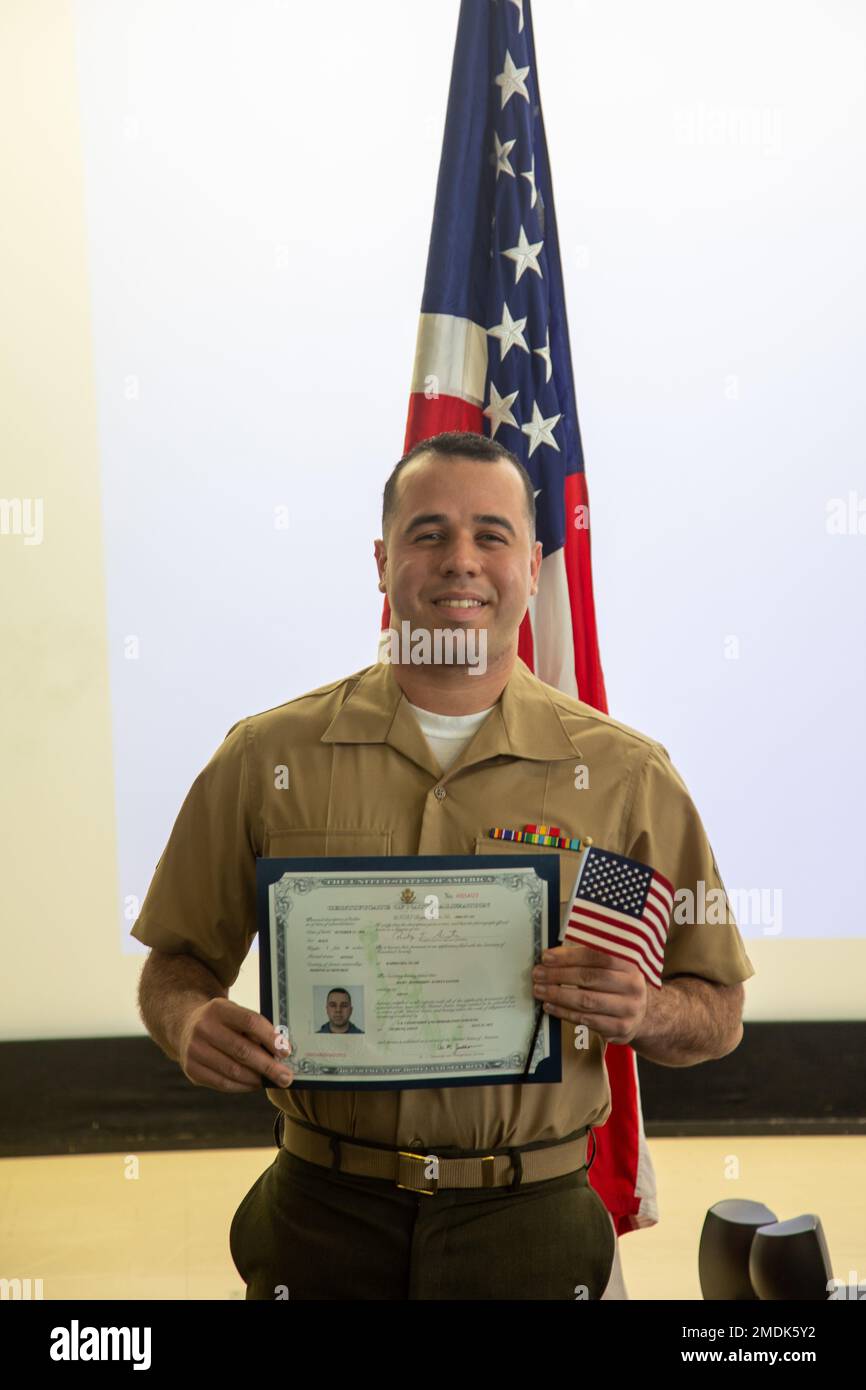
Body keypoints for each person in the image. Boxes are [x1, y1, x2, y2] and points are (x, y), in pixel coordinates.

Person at [133, 430, 755, 1301]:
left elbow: (717, 1012)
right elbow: (175, 966)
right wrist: (187, 1021)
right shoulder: (268, 758)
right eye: (428, 534)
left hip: (531, 1226)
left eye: (491, 535)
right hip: (322, 1215)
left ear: (532, 568)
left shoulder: (620, 779)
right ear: (383, 562)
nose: (460, 561)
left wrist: (646, 1009)